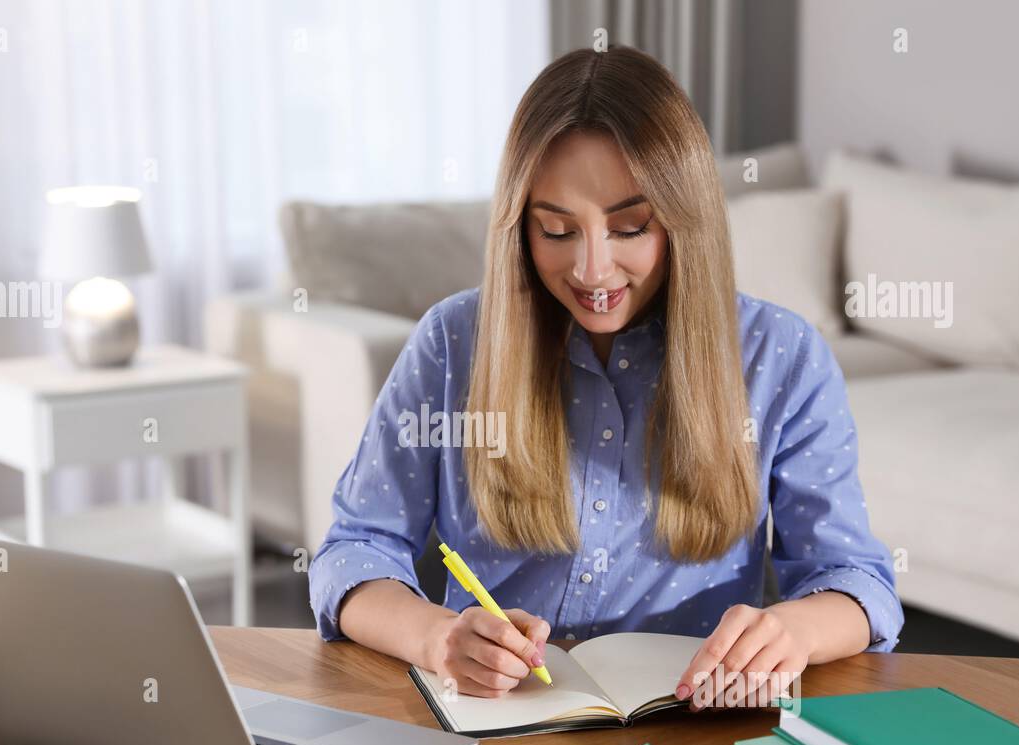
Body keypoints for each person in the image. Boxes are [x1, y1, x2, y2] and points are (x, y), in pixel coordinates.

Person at [308, 45, 903, 708]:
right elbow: (352, 553)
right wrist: (434, 637)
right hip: (494, 728)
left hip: (689, 739)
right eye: (557, 229)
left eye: (630, 227)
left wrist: (794, 629)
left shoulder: (782, 356)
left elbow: (856, 579)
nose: (593, 270)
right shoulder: (454, 343)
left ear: (684, 220)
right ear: (519, 226)